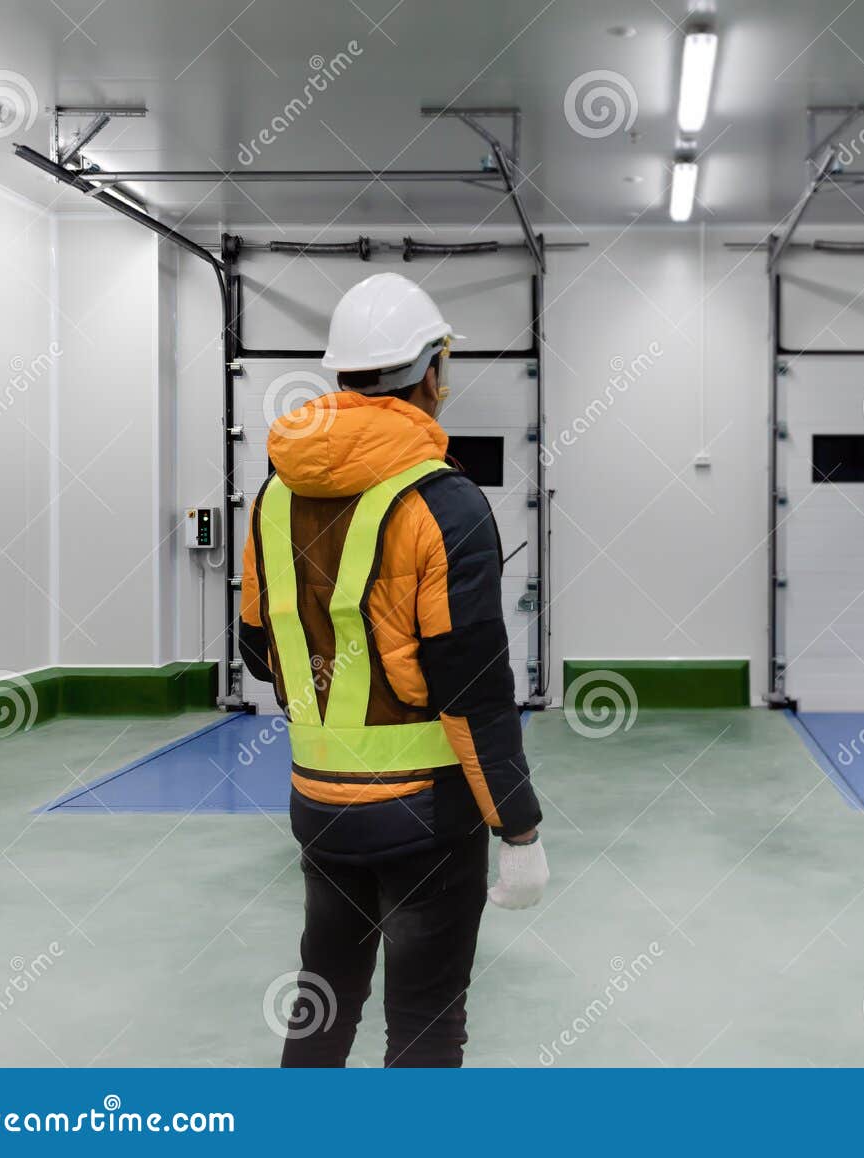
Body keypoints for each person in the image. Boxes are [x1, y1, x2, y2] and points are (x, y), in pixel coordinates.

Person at [239, 272, 548, 1067]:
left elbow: (256, 646)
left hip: (318, 803)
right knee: (425, 1018)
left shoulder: (275, 491)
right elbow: (473, 688)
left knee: (325, 995)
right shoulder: (445, 505)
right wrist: (518, 828)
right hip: (427, 820)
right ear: (431, 373)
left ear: (342, 373)